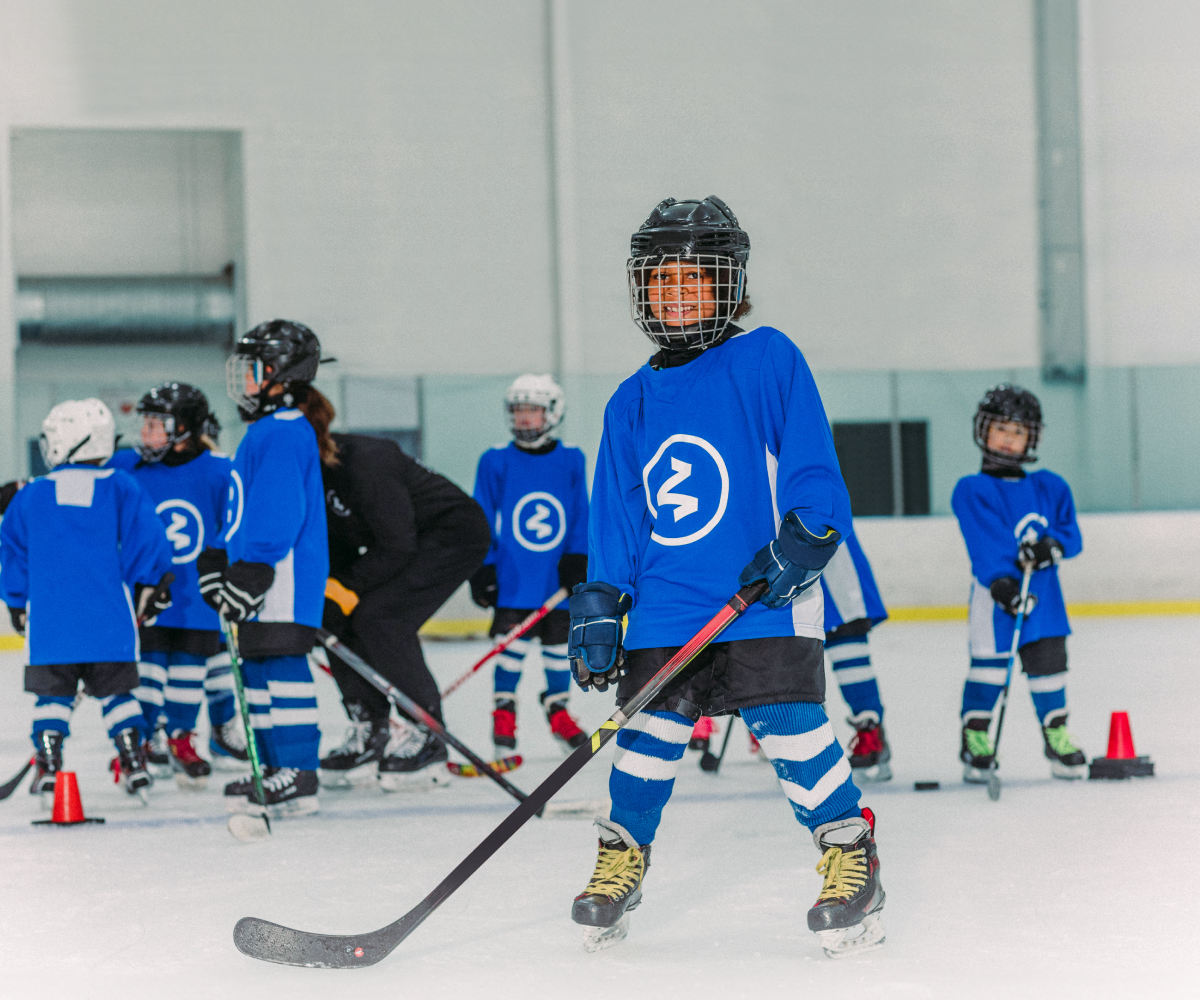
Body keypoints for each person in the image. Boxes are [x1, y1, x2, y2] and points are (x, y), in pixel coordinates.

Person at [567, 196, 885, 958]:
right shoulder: (629, 401)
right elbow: (616, 516)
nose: (676, 295)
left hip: (761, 595)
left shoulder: (767, 357)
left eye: (694, 279)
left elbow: (812, 463)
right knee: (645, 737)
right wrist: (604, 599)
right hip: (669, 603)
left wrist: (806, 533)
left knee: (788, 727)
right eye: (662, 281)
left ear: (729, 283)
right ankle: (622, 858)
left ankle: (851, 856)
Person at [0, 399, 173, 799]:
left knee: (53, 697)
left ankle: (48, 763)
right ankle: (133, 759)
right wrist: (151, 586)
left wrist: (15, 601)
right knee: (117, 695)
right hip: (109, 620)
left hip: (51, 624)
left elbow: (12, 552)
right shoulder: (121, 486)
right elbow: (148, 541)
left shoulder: (31, 495)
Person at [317, 418, 490, 790]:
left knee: (382, 618)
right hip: (398, 542)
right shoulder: (307, 472)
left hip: (452, 533)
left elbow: (396, 543)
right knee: (338, 619)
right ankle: (369, 726)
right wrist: (331, 594)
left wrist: (347, 589)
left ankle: (426, 733)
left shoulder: (365, 462)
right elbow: (339, 542)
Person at [204, 320, 329, 818]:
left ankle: (298, 772)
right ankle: (272, 766)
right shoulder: (264, 430)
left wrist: (253, 567)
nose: (245, 381)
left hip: (283, 581)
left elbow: (278, 511)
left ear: (282, 375)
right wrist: (216, 557)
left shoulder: (283, 431)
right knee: (256, 670)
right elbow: (242, 508)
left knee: (283, 669)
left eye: (254, 370)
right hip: (260, 575)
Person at [109, 384, 244, 787]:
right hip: (149, 594)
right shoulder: (126, 467)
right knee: (147, 674)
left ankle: (181, 738)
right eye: (145, 425)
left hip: (199, 599)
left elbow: (234, 527)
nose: (146, 434)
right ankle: (144, 742)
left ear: (184, 430)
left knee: (190, 673)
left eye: (157, 426)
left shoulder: (220, 471)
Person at [952, 384, 1087, 783]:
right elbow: (985, 545)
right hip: (996, 599)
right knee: (990, 672)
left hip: (1045, 602)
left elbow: (1071, 535)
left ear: (1032, 437)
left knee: (1051, 670)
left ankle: (1056, 736)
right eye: (1001, 429)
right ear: (983, 430)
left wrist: (1051, 547)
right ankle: (976, 739)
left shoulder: (1050, 486)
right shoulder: (973, 490)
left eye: (1019, 431)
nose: (1009, 439)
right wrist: (1003, 586)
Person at [469, 374, 590, 756]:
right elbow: (482, 515)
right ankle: (503, 711)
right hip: (514, 576)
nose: (524, 419)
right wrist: (482, 567)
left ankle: (558, 711)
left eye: (533, 411)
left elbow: (580, 513)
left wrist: (578, 560)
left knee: (559, 648)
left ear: (552, 414)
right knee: (510, 649)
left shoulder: (571, 458)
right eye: (518, 411)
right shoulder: (495, 460)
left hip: (555, 578)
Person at [820, 529, 891, 781]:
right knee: (788, 665)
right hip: (780, 571)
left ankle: (870, 732)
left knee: (849, 656)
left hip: (832, 567)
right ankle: (802, 741)